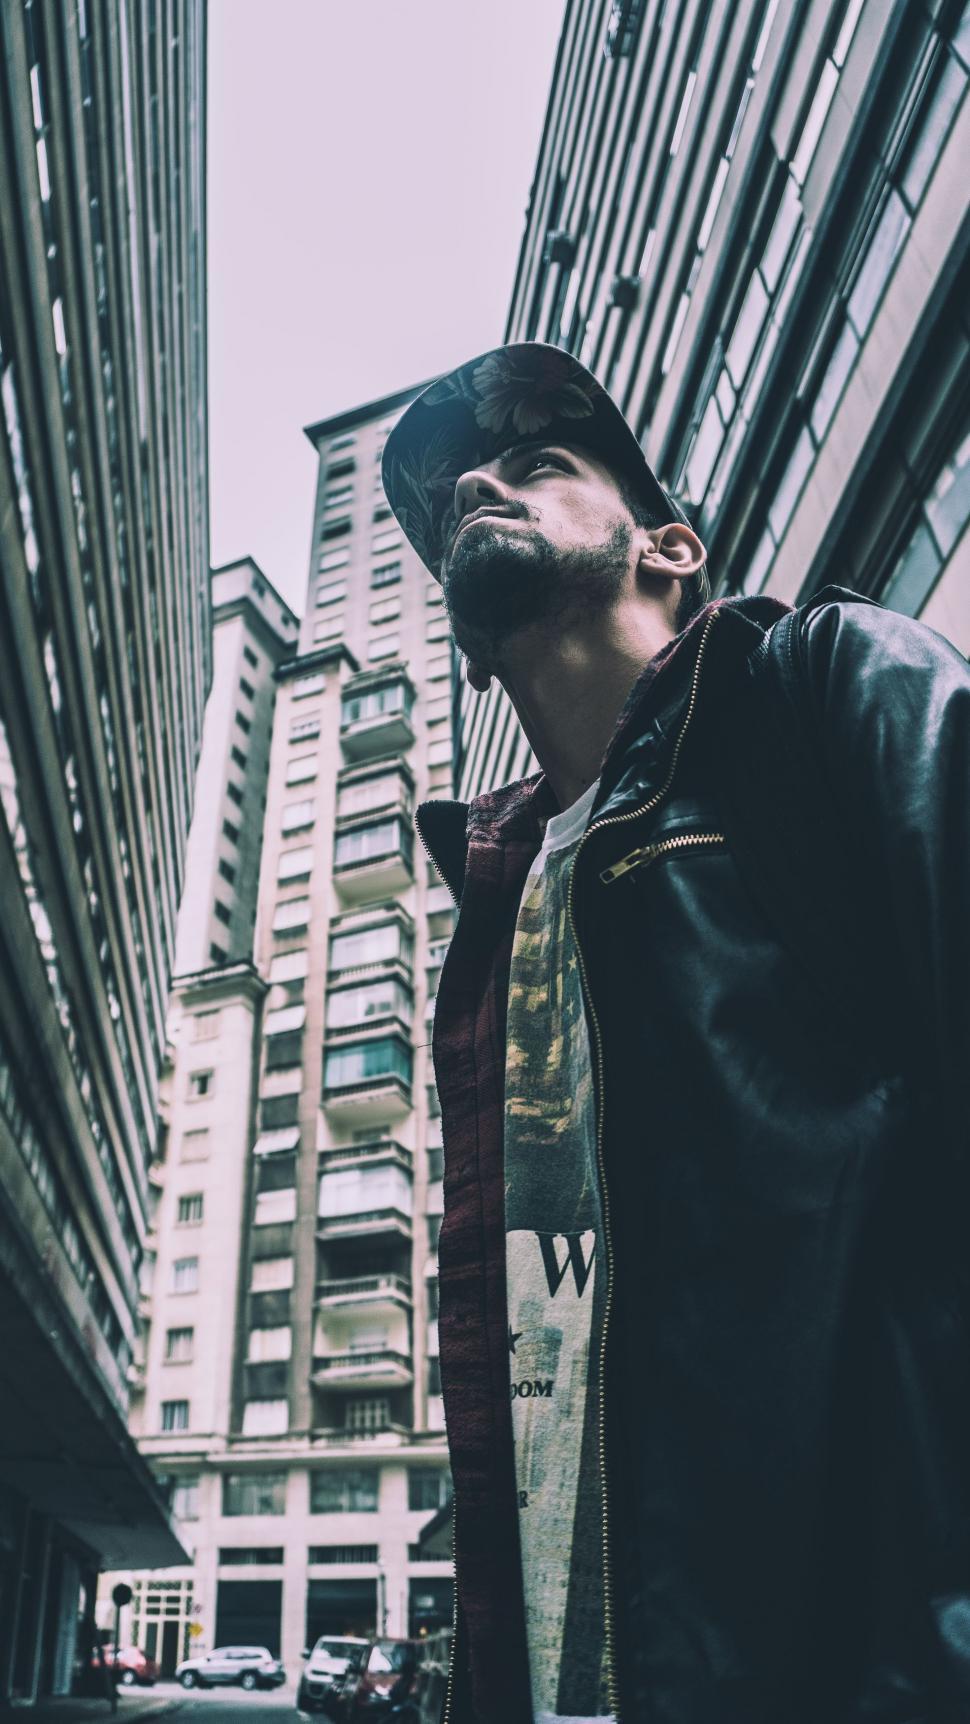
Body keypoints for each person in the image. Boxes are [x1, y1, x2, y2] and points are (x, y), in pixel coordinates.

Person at [381, 342, 970, 1724]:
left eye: (533, 464)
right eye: (460, 490)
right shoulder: (493, 900)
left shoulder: (819, 688)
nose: (477, 482)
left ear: (668, 548)